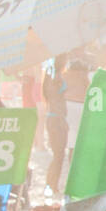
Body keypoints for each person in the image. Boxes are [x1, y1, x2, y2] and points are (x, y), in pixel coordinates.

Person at [42, 56, 68, 194]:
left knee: (59, 155)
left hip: (56, 118)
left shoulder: (52, 77)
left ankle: (52, 184)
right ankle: (51, 185)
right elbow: (55, 98)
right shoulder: (55, 79)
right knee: (58, 154)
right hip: (56, 119)